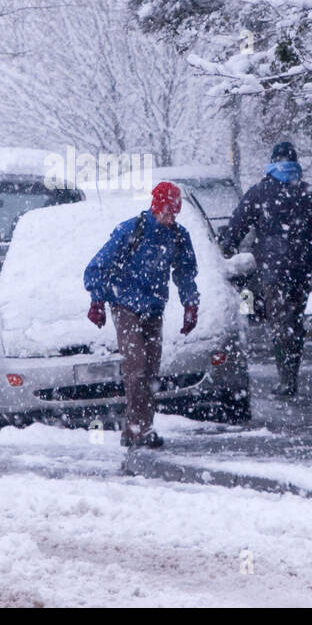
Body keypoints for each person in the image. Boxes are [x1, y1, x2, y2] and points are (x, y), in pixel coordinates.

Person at [84, 181, 199, 448]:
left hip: (154, 309)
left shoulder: (178, 237)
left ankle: (138, 429)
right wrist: (97, 300)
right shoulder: (131, 230)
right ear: (156, 207)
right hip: (125, 307)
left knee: (150, 372)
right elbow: (97, 267)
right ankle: (138, 429)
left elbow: (185, 273)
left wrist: (190, 305)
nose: (171, 218)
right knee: (135, 369)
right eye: (168, 212)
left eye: (175, 213)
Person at [220, 141, 312, 397]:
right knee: (293, 320)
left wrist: (226, 248)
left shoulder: (260, 191)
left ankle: (287, 381)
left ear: (273, 161)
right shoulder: (308, 193)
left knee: (280, 322)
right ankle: (290, 373)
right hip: (301, 269)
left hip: (272, 269)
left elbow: (238, 223)